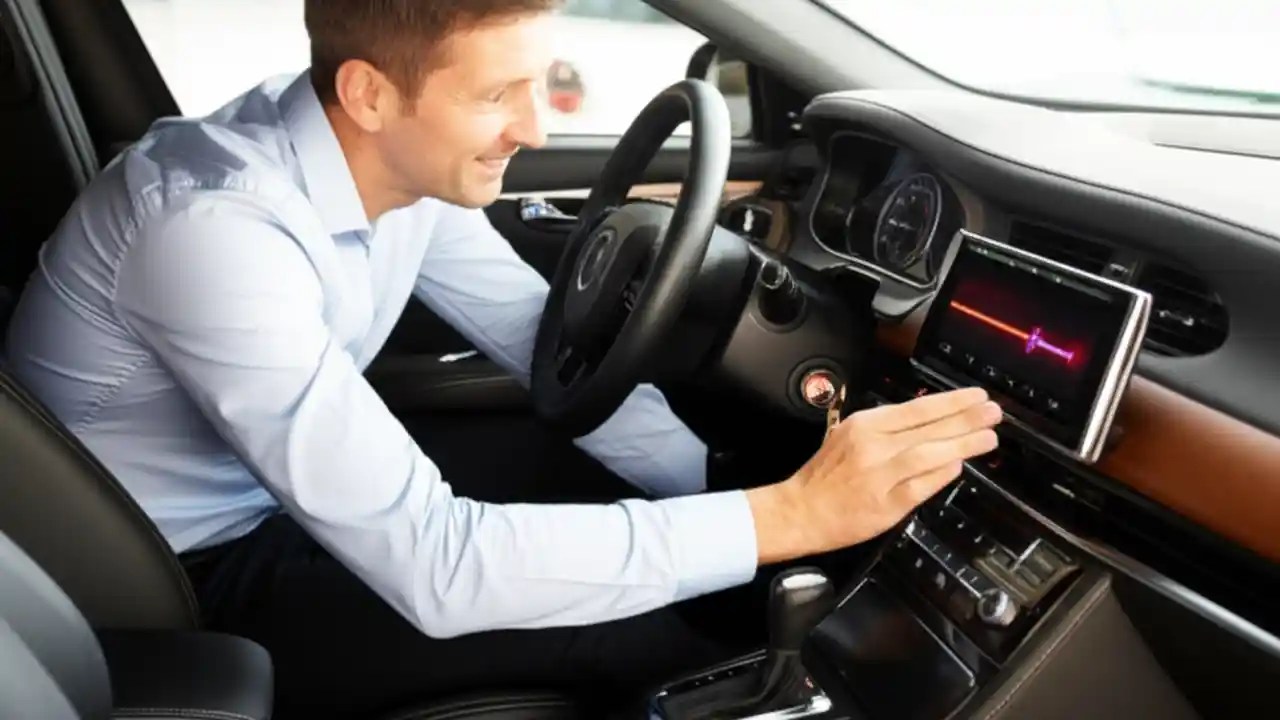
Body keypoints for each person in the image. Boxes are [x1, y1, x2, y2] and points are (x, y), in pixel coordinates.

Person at [3, 0, 1002, 717]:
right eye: (498, 95)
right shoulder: (215, 232)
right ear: (369, 94)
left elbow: (545, 347)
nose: (534, 125)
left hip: (260, 503)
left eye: (535, 83)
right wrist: (792, 515)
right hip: (169, 579)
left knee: (612, 496)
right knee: (691, 635)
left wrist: (717, 484)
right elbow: (440, 571)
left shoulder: (378, 163)